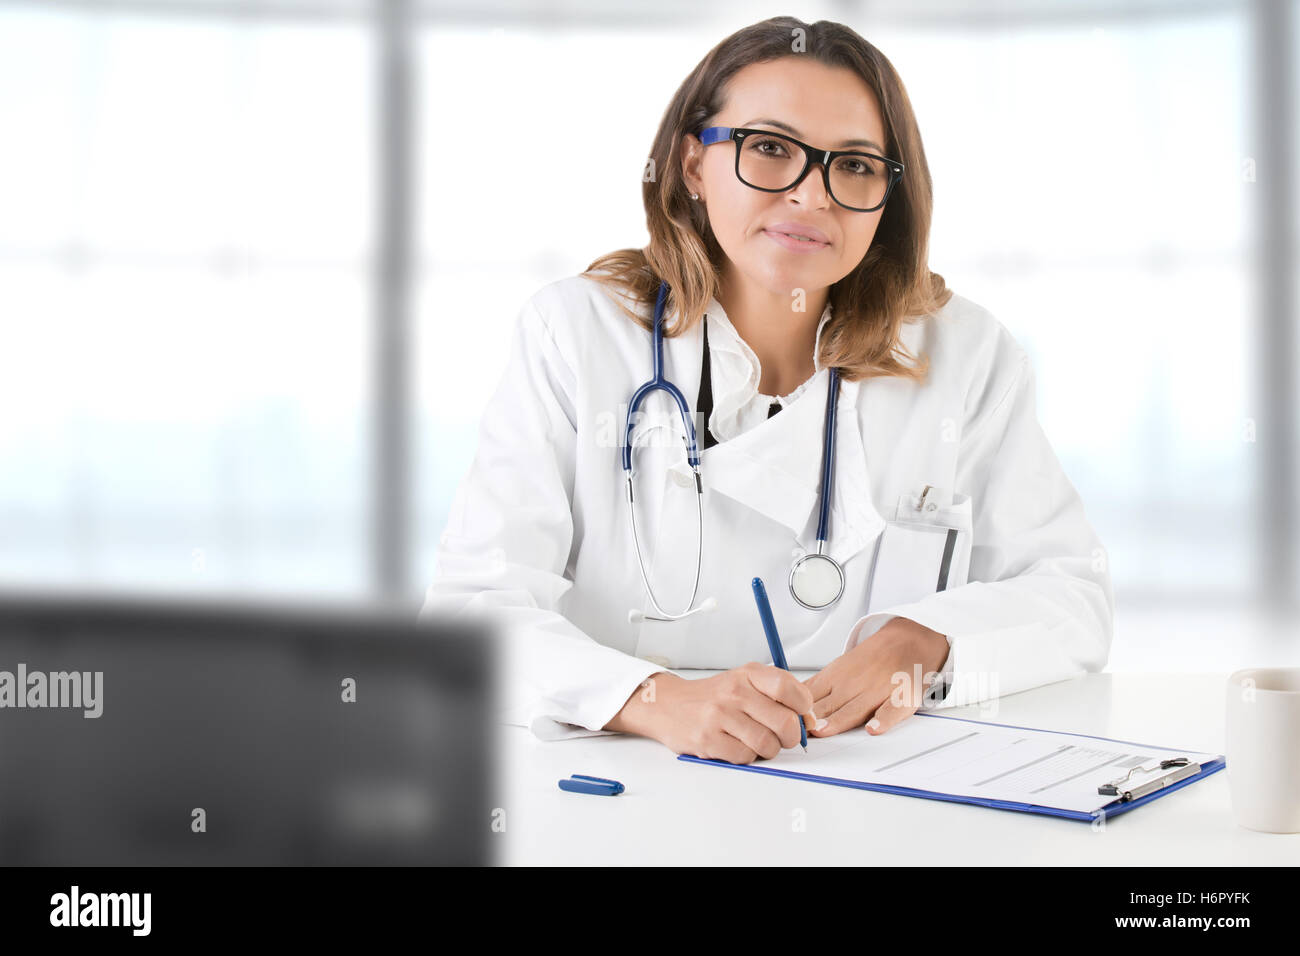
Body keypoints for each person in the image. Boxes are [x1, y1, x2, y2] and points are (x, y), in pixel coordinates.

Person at [421, 16, 1113, 765]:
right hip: (629, 784)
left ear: (888, 197)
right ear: (692, 166)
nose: (813, 196)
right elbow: (469, 616)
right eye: (772, 149)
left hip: (875, 783)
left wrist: (934, 641)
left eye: (854, 165)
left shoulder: (963, 354)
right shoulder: (578, 336)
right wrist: (656, 700)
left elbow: (1072, 596)